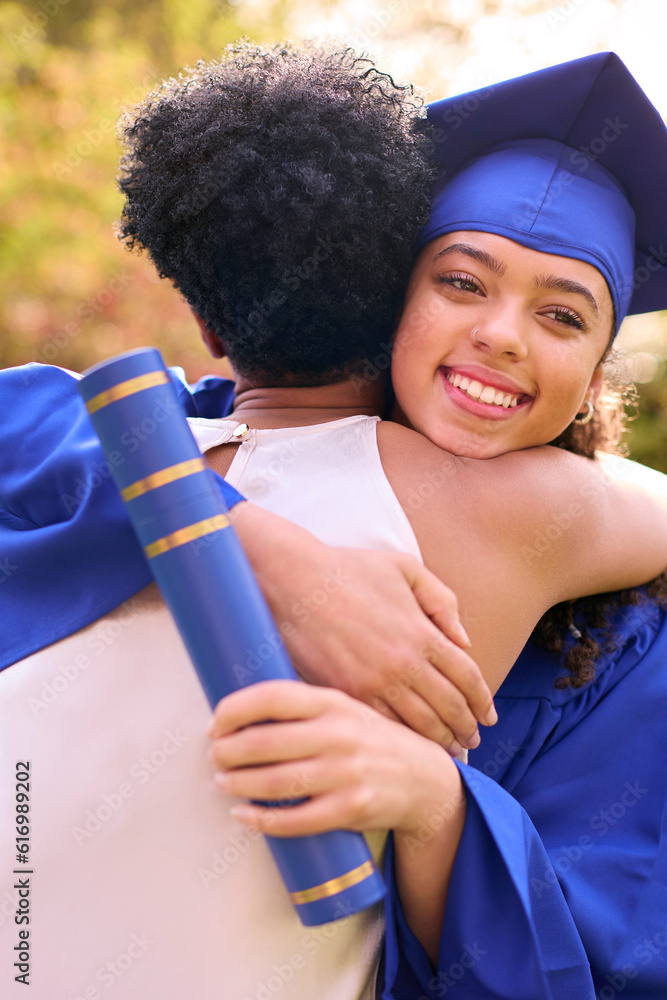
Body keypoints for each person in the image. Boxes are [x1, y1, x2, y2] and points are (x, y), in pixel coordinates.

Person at [111, 42, 667, 999]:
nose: (500, 332)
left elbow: (605, 955)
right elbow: (50, 427)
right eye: (461, 281)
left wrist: (437, 808)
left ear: (591, 378)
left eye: (564, 316)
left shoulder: (626, 639)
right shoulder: (202, 431)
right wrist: (264, 548)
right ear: (392, 303)